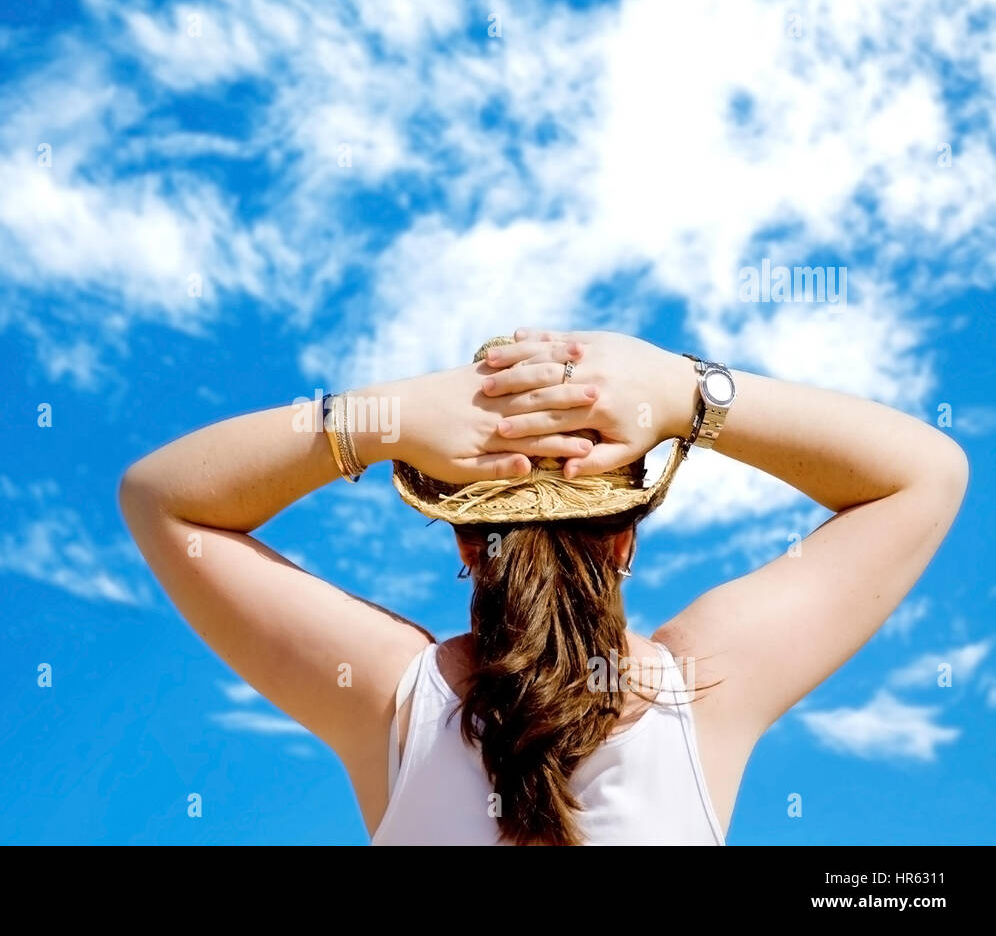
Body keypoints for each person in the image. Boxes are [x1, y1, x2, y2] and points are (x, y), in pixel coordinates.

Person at [118, 329, 968, 845]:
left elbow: (163, 501)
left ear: (462, 540)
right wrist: (688, 391)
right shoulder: (701, 694)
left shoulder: (393, 700)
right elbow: (926, 473)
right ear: (628, 532)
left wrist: (390, 415)